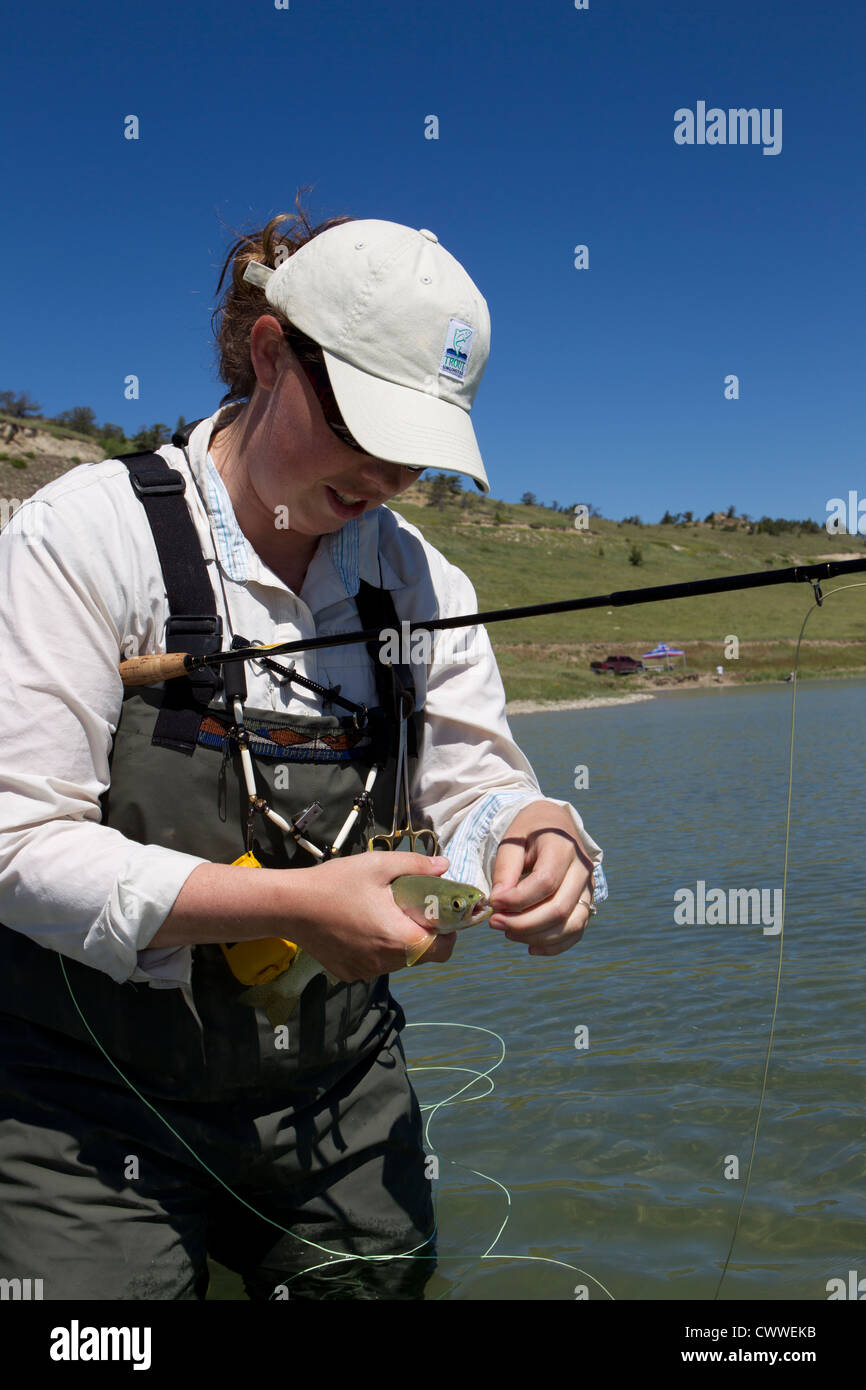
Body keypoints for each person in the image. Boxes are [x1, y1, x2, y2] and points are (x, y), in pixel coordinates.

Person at [0, 198, 606, 1301]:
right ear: (271, 355)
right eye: (363, 427)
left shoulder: (424, 583)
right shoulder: (82, 534)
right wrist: (291, 905)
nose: (383, 477)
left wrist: (537, 828)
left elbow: (476, 778)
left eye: (415, 453)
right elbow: (15, 843)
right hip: (84, 1100)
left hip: (342, 1090)